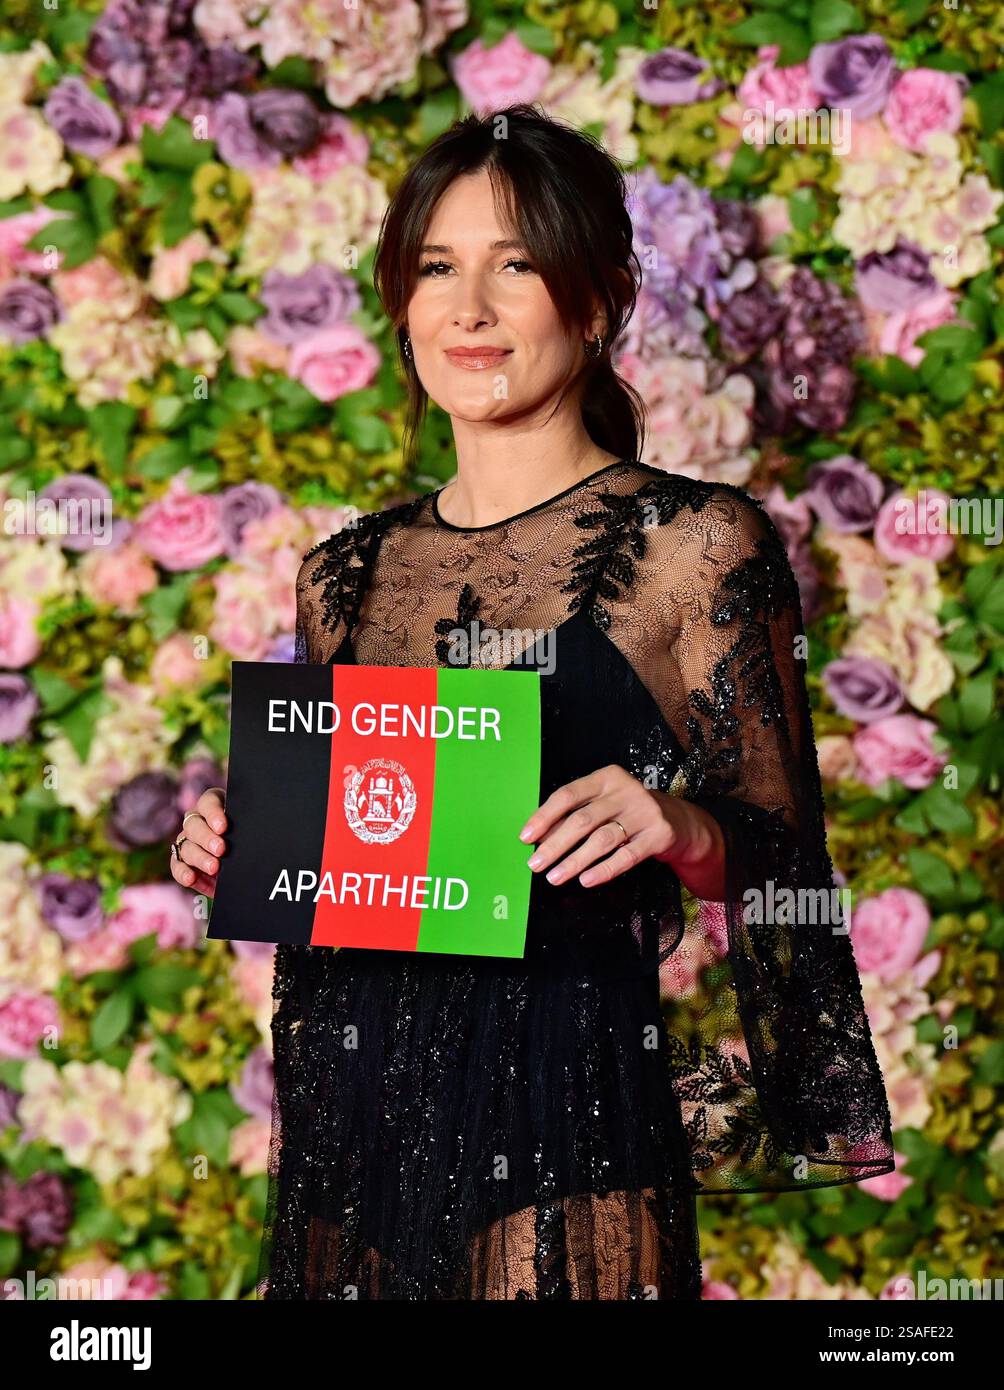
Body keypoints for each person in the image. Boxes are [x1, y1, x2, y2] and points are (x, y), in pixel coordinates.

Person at [170, 104, 895, 1300]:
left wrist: (683, 826)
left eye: (515, 266)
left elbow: (783, 872)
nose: (470, 309)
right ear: (402, 304)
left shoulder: (694, 545)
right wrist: (241, 842)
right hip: (356, 1149)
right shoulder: (343, 574)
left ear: (596, 299)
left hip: (570, 1120)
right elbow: (350, 878)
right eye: (437, 269)